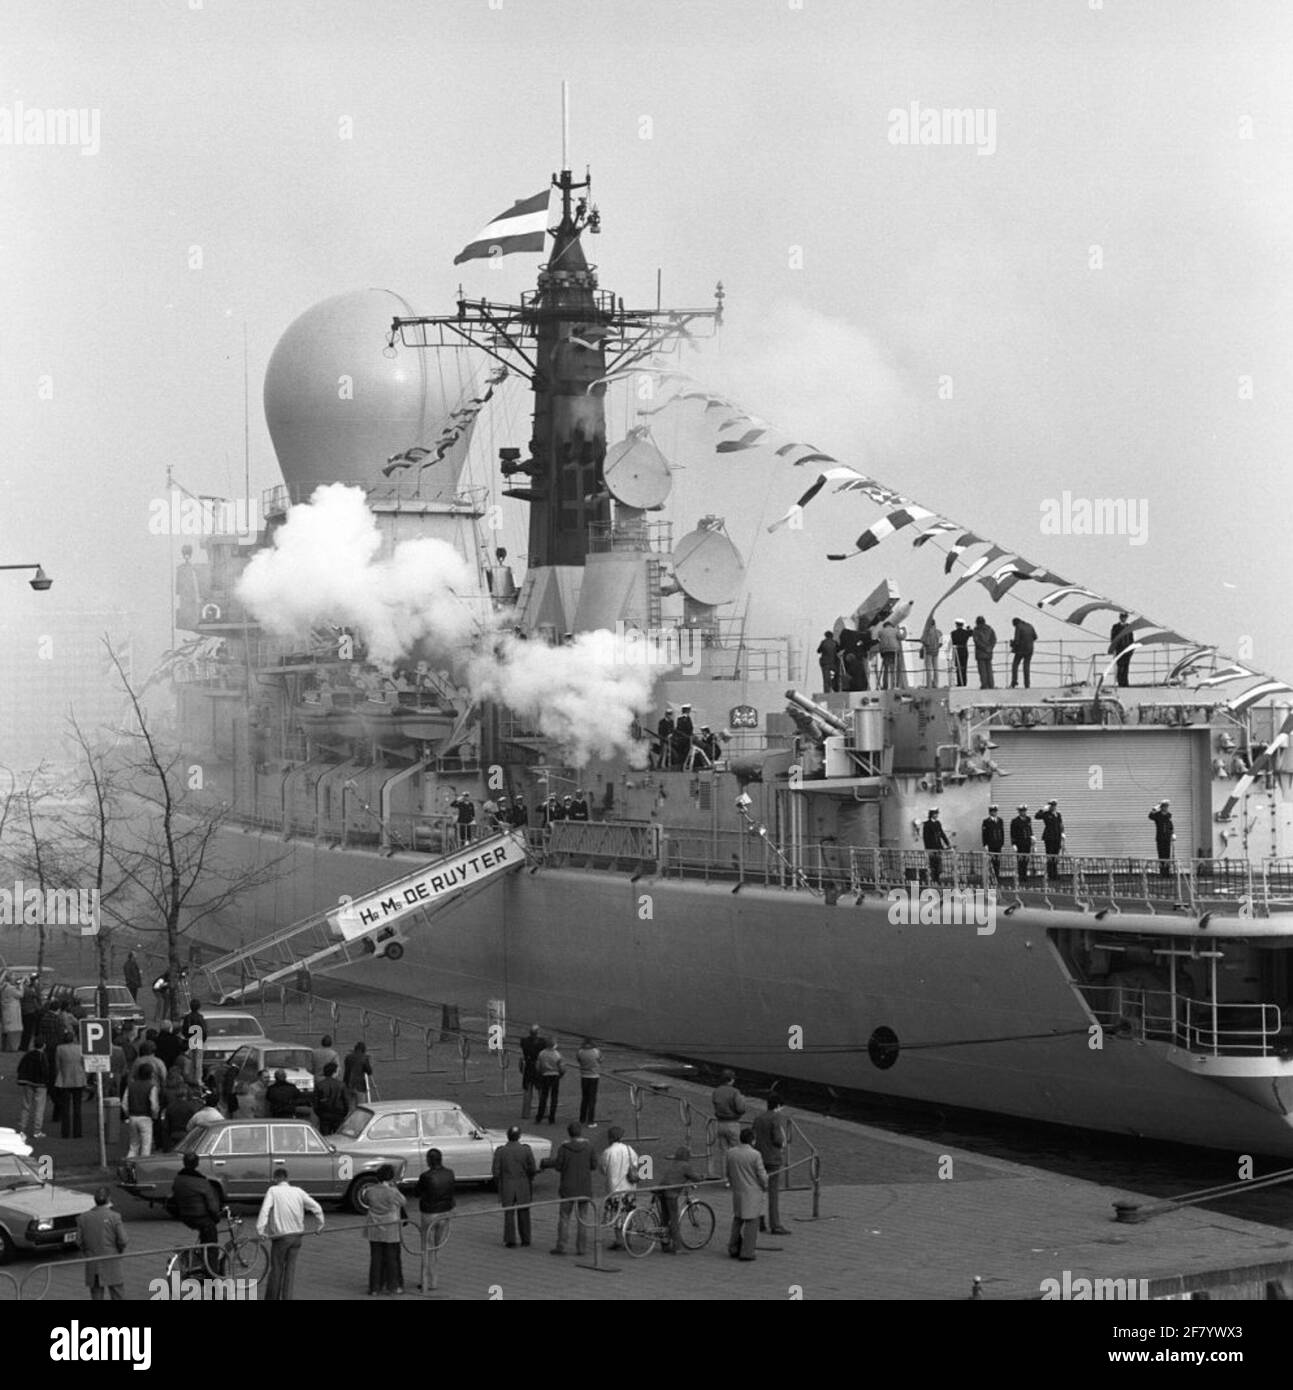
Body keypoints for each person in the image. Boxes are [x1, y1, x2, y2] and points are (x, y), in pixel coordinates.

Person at [257, 1165, 324, 1301]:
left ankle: (272, 1297)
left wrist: (260, 1230)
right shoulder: (298, 1191)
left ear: (275, 1178)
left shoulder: (273, 1190)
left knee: (276, 1268)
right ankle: (287, 1297)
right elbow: (316, 1207)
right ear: (287, 1178)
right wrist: (320, 1224)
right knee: (290, 1270)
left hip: (281, 1236)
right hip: (297, 1236)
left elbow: (265, 1210)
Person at [543, 1121, 599, 1256]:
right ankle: (581, 1248)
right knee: (583, 1219)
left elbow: (558, 1166)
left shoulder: (564, 1148)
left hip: (568, 1187)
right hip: (584, 1187)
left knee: (564, 1218)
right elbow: (594, 1165)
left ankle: (561, 1245)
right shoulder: (589, 1147)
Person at [726, 1127, 769, 1262]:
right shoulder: (755, 1155)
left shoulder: (731, 1153)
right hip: (752, 1192)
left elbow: (728, 1172)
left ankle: (733, 1248)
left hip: (738, 1191)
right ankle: (747, 1252)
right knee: (751, 1222)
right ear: (752, 1140)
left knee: (737, 1220)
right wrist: (765, 1185)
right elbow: (761, 1175)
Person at [76, 1188, 127, 1301]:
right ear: (109, 1199)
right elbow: (123, 1240)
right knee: (118, 1293)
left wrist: (87, 1252)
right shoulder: (115, 1217)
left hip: (93, 1263)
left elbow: (79, 1241)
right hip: (112, 1260)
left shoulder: (83, 1218)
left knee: (96, 1294)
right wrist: (119, 1250)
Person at [362, 1164, 406, 1295]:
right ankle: (394, 1286)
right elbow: (403, 1201)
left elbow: (366, 1200)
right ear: (391, 1177)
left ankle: (374, 1287)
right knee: (392, 1257)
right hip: (390, 1227)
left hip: (374, 1226)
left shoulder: (370, 1190)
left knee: (375, 1257)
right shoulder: (392, 1191)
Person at [492, 1125, 538, 1248]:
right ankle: (526, 1239)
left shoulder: (501, 1151)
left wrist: (499, 1182)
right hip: (523, 1184)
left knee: (509, 1213)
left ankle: (510, 1239)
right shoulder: (526, 1150)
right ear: (519, 1137)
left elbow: (496, 1172)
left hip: (507, 1184)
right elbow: (532, 1168)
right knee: (524, 1212)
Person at [752, 1096, 791, 1236]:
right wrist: (782, 1144)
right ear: (778, 1105)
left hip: (759, 1157)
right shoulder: (776, 1118)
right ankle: (775, 1225)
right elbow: (778, 1139)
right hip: (773, 1159)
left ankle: (758, 1219)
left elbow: (753, 1136)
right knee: (773, 1193)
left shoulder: (758, 1118)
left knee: (759, 1190)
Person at [657, 1145, 705, 1254]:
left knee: (665, 1218)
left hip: (662, 1191)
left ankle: (665, 1244)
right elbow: (695, 1178)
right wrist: (702, 1177)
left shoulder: (674, 1164)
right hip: (671, 1194)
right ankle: (677, 1247)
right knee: (674, 1219)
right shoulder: (685, 1166)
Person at [172, 1149, 222, 1251]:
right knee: (211, 1242)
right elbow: (212, 1205)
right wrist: (216, 1216)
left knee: (205, 1235)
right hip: (199, 1216)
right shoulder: (201, 1182)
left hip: (184, 1215)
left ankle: (201, 1257)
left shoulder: (178, 1179)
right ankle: (211, 1265)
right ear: (197, 1163)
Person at [602, 1125, 640, 1250]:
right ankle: (628, 1239)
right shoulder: (630, 1149)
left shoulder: (608, 1152)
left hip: (615, 1189)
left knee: (616, 1215)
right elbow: (636, 1164)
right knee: (628, 1214)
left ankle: (619, 1240)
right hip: (629, 1188)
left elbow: (603, 1169)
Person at [413, 1148, 455, 1257]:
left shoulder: (426, 1176)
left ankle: (428, 1271)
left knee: (427, 1243)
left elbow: (416, 1192)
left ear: (429, 1160)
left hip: (429, 1212)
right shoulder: (450, 1173)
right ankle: (436, 1264)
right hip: (445, 1210)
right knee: (439, 1242)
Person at [54, 1029, 87, 1139]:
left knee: (65, 1108)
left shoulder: (59, 1049)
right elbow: (84, 1063)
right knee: (77, 1108)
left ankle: (65, 1132)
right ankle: (78, 1132)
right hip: (78, 1079)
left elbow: (57, 1065)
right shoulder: (80, 1048)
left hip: (64, 1080)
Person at [124, 1060, 160, 1157]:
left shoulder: (130, 1086)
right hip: (146, 1117)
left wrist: (128, 1113)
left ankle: (130, 1165)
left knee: (133, 1145)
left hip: (132, 1117)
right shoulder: (152, 1087)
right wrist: (155, 1116)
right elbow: (153, 1105)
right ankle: (143, 1167)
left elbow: (124, 1103)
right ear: (151, 1074)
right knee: (146, 1145)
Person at [711, 1069, 746, 1164]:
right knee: (736, 1152)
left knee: (724, 1153)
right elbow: (741, 1109)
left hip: (720, 1124)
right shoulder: (735, 1092)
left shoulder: (716, 1091)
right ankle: (735, 1176)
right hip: (732, 1124)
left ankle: (725, 1176)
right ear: (730, 1079)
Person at [17, 1040, 49, 1138]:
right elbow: (46, 1070)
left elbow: (20, 1068)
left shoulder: (28, 1055)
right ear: (44, 1045)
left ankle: (22, 1130)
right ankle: (37, 1131)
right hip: (40, 1085)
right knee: (39, 1108)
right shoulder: (42, 1056)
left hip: (28, 1083)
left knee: (26, 1106)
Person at [534, 1035, 564, 1124]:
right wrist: (560, 1074)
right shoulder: (557, 1054)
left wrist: (540, 1073)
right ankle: (552, 1118)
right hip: (555, 1076)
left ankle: (539, 1116)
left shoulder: (541, 1053)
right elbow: (562, 1068)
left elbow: (538, 1067)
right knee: (554, 1098)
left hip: (544, 1075)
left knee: (543, 1097)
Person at [313, 1060, 348, 1134]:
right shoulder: (341, 1085)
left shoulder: (320, 1085)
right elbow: (346, 1102)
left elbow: (315, 1104)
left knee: (325, 1138)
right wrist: (343, 1114)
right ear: (334, 1072)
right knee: (338, 1137)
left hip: (324, 1115)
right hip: (338, 1115)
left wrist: (320, 1114)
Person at [519, 1023, 544, 1120]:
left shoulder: (524, 1041)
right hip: (538, 1067)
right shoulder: (542, 1042)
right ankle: (543, 1112)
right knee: (541, 1091)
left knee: (527, 1091)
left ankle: (525, 1113)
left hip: (528, 1067)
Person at [1035, 799, 1065, 880]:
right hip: (1049, 838)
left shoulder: (1058, 814)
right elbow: (1037, 816)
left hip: (1057, 838)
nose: (1053, 806)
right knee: (1050, 856)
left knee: (1055, 856)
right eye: (1051, 805)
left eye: (1054, 805)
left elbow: (1061, 824)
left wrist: (1062, 833)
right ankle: (1050, 874)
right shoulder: (1046, 814)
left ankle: (1055, 873)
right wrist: (1042, 810)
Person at [575, 1037, 601, 1127]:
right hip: (594, 1076)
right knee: (592, 1099)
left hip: (584, 1076)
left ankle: (582, 1118)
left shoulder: (580, 1051)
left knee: (584, 1098)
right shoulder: (596, 1051)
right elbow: (600, 1060)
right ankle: (590, 1120)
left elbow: (578, 1060)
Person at [922, 808, 950, 885]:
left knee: (938, 864)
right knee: (932, 865)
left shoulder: (938, 823)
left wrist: (948, 843)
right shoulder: (927, 824)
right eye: (935, 814)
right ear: (931, 814)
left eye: (937, 814)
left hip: (938, 847)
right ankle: (934, 880)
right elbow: (925, 837)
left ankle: (937, 879)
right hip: (931, 848)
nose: (936, 815)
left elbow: (942, 834)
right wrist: (927, 848)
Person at [1010, 617, 1037, 689]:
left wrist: (1012, 644)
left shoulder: (1018, 627)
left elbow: (1017, 640)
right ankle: (1027, 684)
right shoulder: (1029, 626)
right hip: (1030, 649)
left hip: (1021, 650)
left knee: (1015, 664)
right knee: (1026, 666)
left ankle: (1014, 681)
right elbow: (1035, 637)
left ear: (1015, 623)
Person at [1149, 800, 1175, 877]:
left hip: (1167, 838)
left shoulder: (1169, 815)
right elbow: (1150, 816)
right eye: (1164, 806)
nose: (1166, 808)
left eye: (1167, 806)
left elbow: (1170, 826)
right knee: (1161, 855)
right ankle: (1162, 871)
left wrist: (1173, 834)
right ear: (1162, 807)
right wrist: (1154, 808)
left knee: (1167, 855)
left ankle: (1167, 872)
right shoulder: (1158, 815)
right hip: (1160, 837)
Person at [981, 804, 1005, 884]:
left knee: (997, 862)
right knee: (990, 861)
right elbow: (984, 834)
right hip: (990, 844)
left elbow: (1002, 833)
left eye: (995, 811)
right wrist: (985, 844)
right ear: (990, 812)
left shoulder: (1000, 821)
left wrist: (1002, 844)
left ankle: (997, 877)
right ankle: (991, 877)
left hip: (998, 844)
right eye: (992, 811)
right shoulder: (986, 822)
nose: (994, 813)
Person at [343, 1041, 373, 1105]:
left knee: (350, 1107)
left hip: (348, 1084)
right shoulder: (364, 1058)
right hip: (359, 1086)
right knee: (361, 1106)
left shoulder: (348, 1057)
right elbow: (369, 1071)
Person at [1109, 612, 1135, 687]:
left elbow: (1131, 638)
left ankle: (1125, 683)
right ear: (1120, 617)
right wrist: (1114, 647)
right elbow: (1113, 638)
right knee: (1120, 666)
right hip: (1119, 649)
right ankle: (1121, 682)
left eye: (1125, 617)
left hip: (1127, 650)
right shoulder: (1115, 627)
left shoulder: (1129, 626)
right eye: (1122, 617)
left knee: (1126, 666)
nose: (1124, 618)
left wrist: (1131, 648)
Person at [972, 616, 996, 689]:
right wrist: (990, 648)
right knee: (989, 669)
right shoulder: (990, 629)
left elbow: (976, 641)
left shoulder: (976, 630)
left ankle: (984, 685)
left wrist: (984, 648)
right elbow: (994, 639)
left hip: (980, 652)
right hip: (989, 652)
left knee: (982, 670)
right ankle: (991, 685)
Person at [1, 974, 22, 1051]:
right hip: (12, 1011)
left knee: (5, 1030)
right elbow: (20, 995)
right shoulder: (11, 988)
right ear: (10, 980)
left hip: (5, 1010)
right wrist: (21, 986)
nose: (15, 980)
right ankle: (11, 1047)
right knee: (12, 1030)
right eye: (13, 979)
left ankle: (4, 1046)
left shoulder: (3, 987)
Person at [19, 977, 41, 1051]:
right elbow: (36, 996)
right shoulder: (29, 991)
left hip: (24, 1011)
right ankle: (25, 1047)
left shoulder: (22, 989)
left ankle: (23, 1046)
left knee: (25, 1030)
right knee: (28, 1031)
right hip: (30, 1012)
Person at [877, 621, 901, 689]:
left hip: (884, 651)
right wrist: (904, 631)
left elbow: (877, 636)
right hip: (894, 650)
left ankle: (885, 685)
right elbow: (901, 637)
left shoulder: (881, 631)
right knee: (895, 668)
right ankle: (894, 685)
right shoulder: (895, 630)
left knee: (886, 669)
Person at [920, 617, 942, 687]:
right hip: (936, 651)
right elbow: (941, 643)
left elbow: (923, 641)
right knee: (936, 668)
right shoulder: (939, 632)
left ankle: (929, 684)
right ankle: (936, 684)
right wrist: (937, 647)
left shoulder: (926, 632)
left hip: (928, 651)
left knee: (928, 668)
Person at [948, 620, 970, 686]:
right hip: (964, 650)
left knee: (958, 667)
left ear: (956, 625)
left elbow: (953, 641)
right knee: (964, 667)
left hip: (957, 650)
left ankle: (959, 682)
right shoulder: (966, 632)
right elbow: (972, 633)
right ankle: (964, 682)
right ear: (962, 625)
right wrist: (968, 628)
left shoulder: (953, 633)